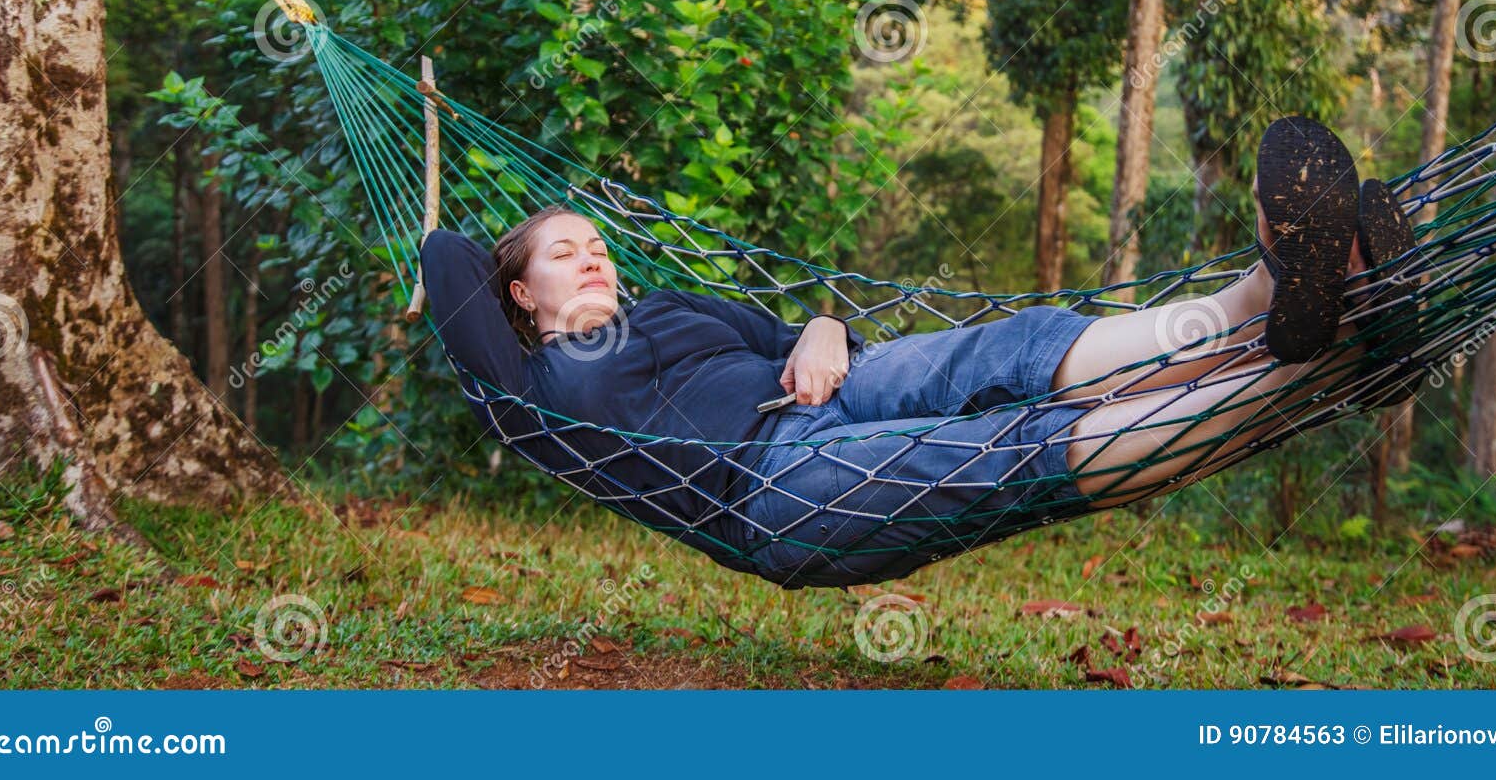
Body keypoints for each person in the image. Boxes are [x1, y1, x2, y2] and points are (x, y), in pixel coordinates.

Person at [419, 117, 1420, 588]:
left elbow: (794, 334)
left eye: (597, 244)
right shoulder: (533, 394)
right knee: (1018, 445)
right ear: (519, 293)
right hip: (776, 489)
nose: (592, 255)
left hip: (828, 391)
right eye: (563, 250)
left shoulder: (676, 304)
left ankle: (1268, 297)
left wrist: (823, 330)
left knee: (1011, 345)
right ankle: (1314, 368)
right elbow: (444, 253)